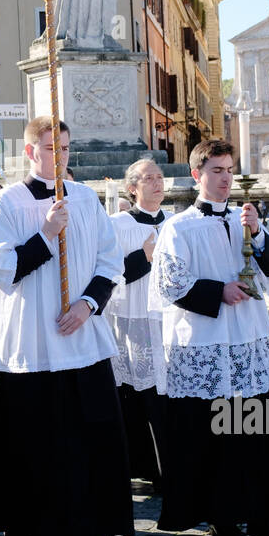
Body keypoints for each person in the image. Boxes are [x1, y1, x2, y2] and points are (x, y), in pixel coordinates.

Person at [0, 116, 134, 536]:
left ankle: (89, 533)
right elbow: (2, 270)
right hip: (33, 344)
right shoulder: (6, 202)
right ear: (29, 152)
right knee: (30, 442)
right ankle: (19, 524)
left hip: (80, 337)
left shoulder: (85, 198)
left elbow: (109, 259)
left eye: (63, 147)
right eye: (48, 148)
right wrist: (45, 234)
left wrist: (87, 304)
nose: (57, 157)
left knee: (89, 439)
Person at [148, 138, 269, 536]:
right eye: (217, 170)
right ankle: (222, 516)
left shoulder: (244, 218)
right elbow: (169, 282)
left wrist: (257, 231)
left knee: (259, 430)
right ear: (197, 174)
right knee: (213, 436)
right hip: (205, 343)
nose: (226, 179)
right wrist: (219, 290)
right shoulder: (179, 227)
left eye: (231, 170)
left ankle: (263, 515)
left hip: (249, 341)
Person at [108, 157, 170, 491]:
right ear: (133, 188)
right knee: (137, 397)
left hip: (168, 323)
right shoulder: (117, 225)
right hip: (133, 323)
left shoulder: (175, 222)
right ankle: (142, 465)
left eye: (160, 177)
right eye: (149, 178)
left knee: (166, 398)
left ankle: (168, 469)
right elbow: (108, 276)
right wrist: (143, 257)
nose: (158, 183)